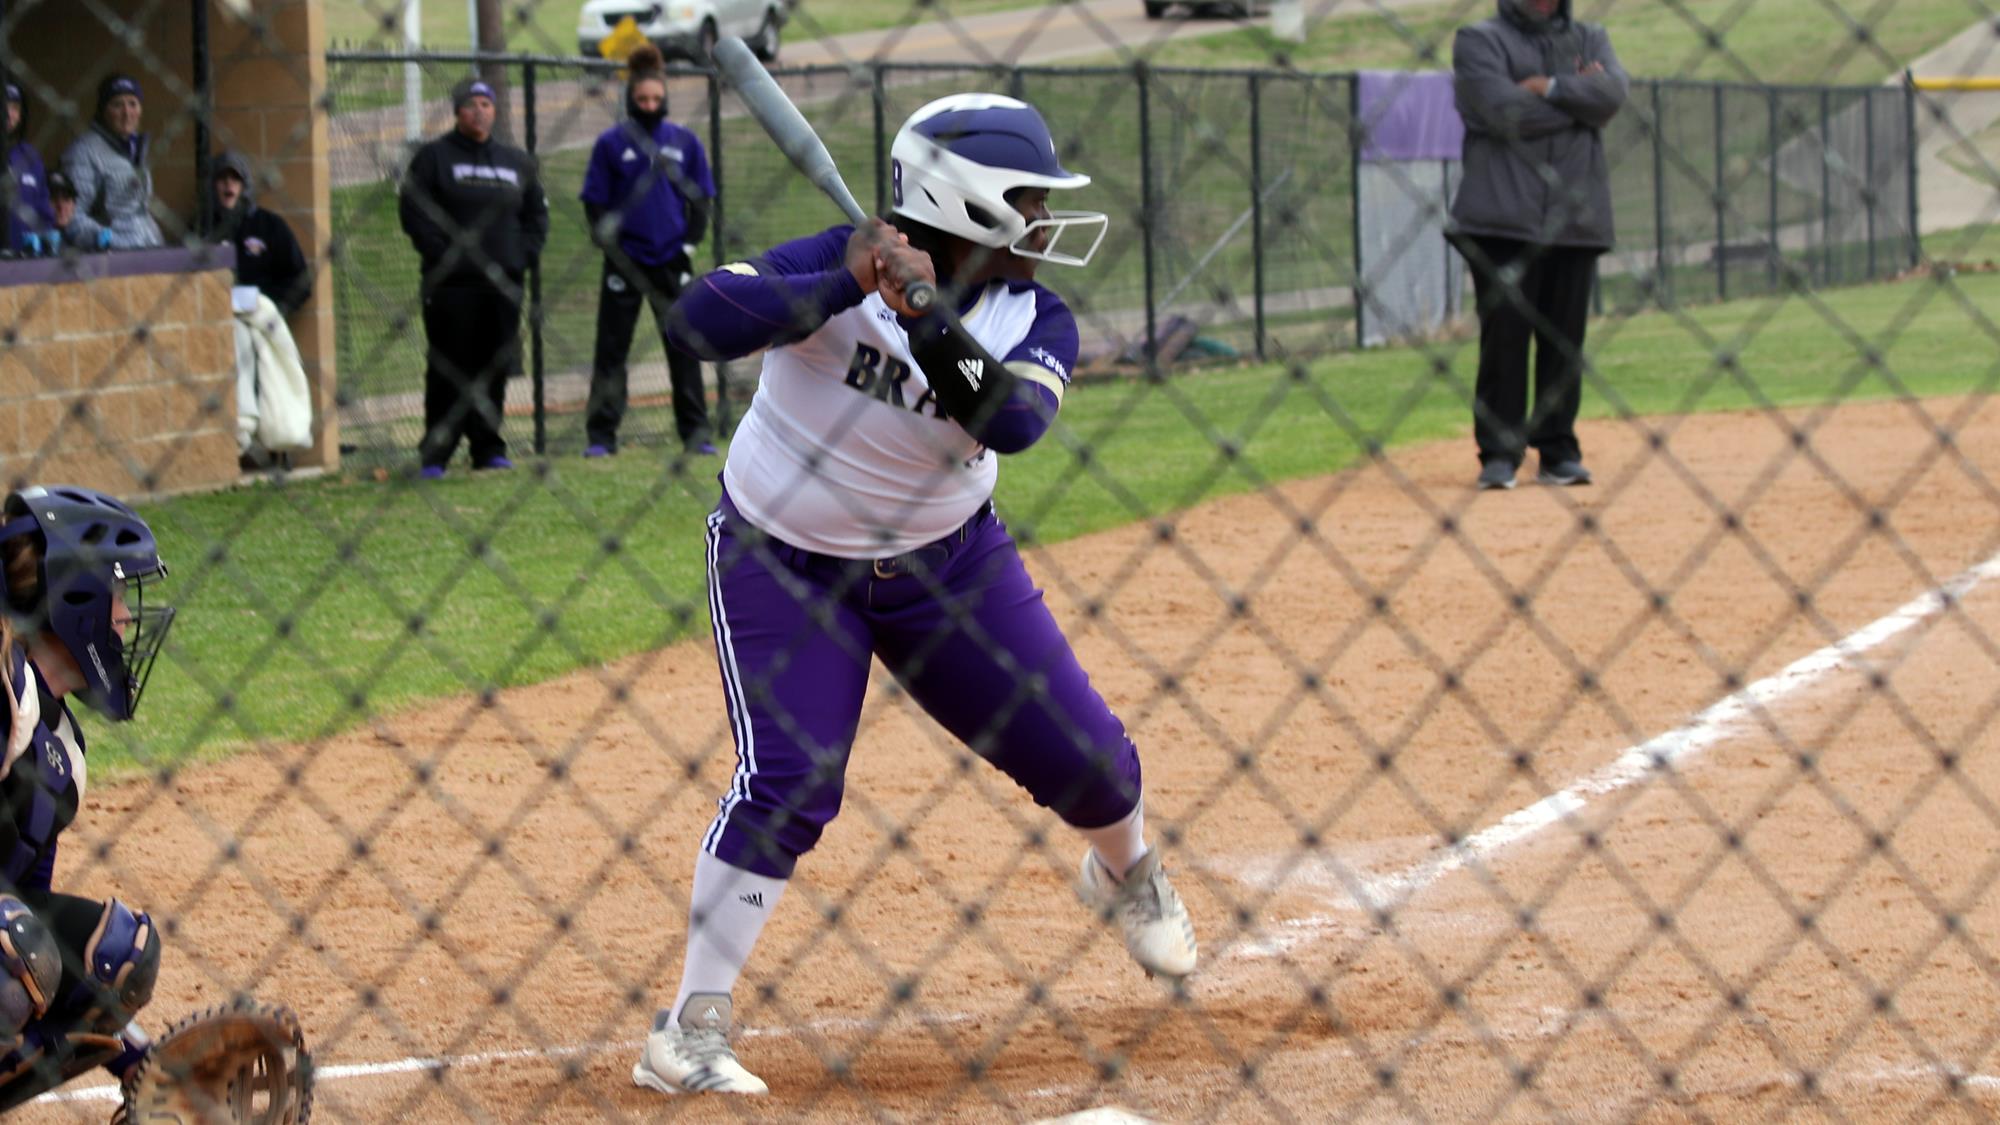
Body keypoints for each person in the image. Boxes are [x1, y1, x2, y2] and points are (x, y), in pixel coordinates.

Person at [635, 93, 1188, 1098]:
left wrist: (924, 314)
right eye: (1025, 199)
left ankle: (1126, 871)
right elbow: (700, 319)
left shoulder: (1032, 314)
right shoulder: (836, 259)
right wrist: (847, 281)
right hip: (785, 561)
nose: (1043, 220)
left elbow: (1010, 419)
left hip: (947, 568)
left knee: (1094, 764)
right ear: (965, 203)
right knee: (791, 778)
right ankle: (688, 1028)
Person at [0, 485, 173, 1112]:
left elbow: (30, 898)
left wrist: (143, 1064)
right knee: (11, 941)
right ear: (77, 598)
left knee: (118, 954)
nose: (126, 619)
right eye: (120, 594)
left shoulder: (60, 748)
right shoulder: (3, 685)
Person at [1447, 0, 1626, 490]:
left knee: (1564, 340)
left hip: (1574, 216)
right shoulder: (1479, 40)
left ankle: (1557, 452)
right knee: (1504, 336)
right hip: (1502, 217)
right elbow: (1496, 110)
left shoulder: (1592, 38)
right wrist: (1577, 104)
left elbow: (1611, 96)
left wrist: (1548, 88)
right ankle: (1499, 455)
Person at [398, 78, 549, 479]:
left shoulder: (515, 162)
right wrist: (444, 256)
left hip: (501, 285)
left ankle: (487, 447)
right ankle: (436, 453)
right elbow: (413, 212)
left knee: (492, 367)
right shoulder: (434, 158)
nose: (479, 111)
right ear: (456, 111)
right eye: (470, 104)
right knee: (449, 367)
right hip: (451, 287)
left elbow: (537, 217)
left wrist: (518, 259)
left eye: (486, 103)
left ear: (495, 110)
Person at [579, 44, 717, 459]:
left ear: (666, 100)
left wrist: (689, 243)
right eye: (642, 100)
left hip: (671, 259)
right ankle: (601, 436)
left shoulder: (684, 142)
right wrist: (610, 244)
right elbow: (594, 201)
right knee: (611, 349)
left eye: (656, 100)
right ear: (630, 101)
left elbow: (702, 200)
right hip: (624, 259)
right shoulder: (610, 143)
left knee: (683, 346)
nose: (650, 106)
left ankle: (695, 433)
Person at [61, 74, 164, 250]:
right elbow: (72, 218)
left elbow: (139, 212)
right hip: (110, 263)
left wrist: (155, 239)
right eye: (117, 104)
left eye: (133, 103)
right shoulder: (83, 152)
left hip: (148, 252)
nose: (127, 113)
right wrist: (112, 243)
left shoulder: (136, 149)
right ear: (103, 111)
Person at [205, 151, 310, 315]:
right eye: (222, 178)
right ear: (213, 185)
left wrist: (262, 299)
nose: (228, 184)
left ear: (244, 185)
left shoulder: (269, 225)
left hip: (263, 312)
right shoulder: (203, 227)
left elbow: (301, 282)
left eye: (235, 178)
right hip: (220, 313)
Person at [4, 84, 57, 257]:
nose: (9, 114)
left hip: (27, 261)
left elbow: (43, 208)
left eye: (15, 108)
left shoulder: (30, 156)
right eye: (3, 106)